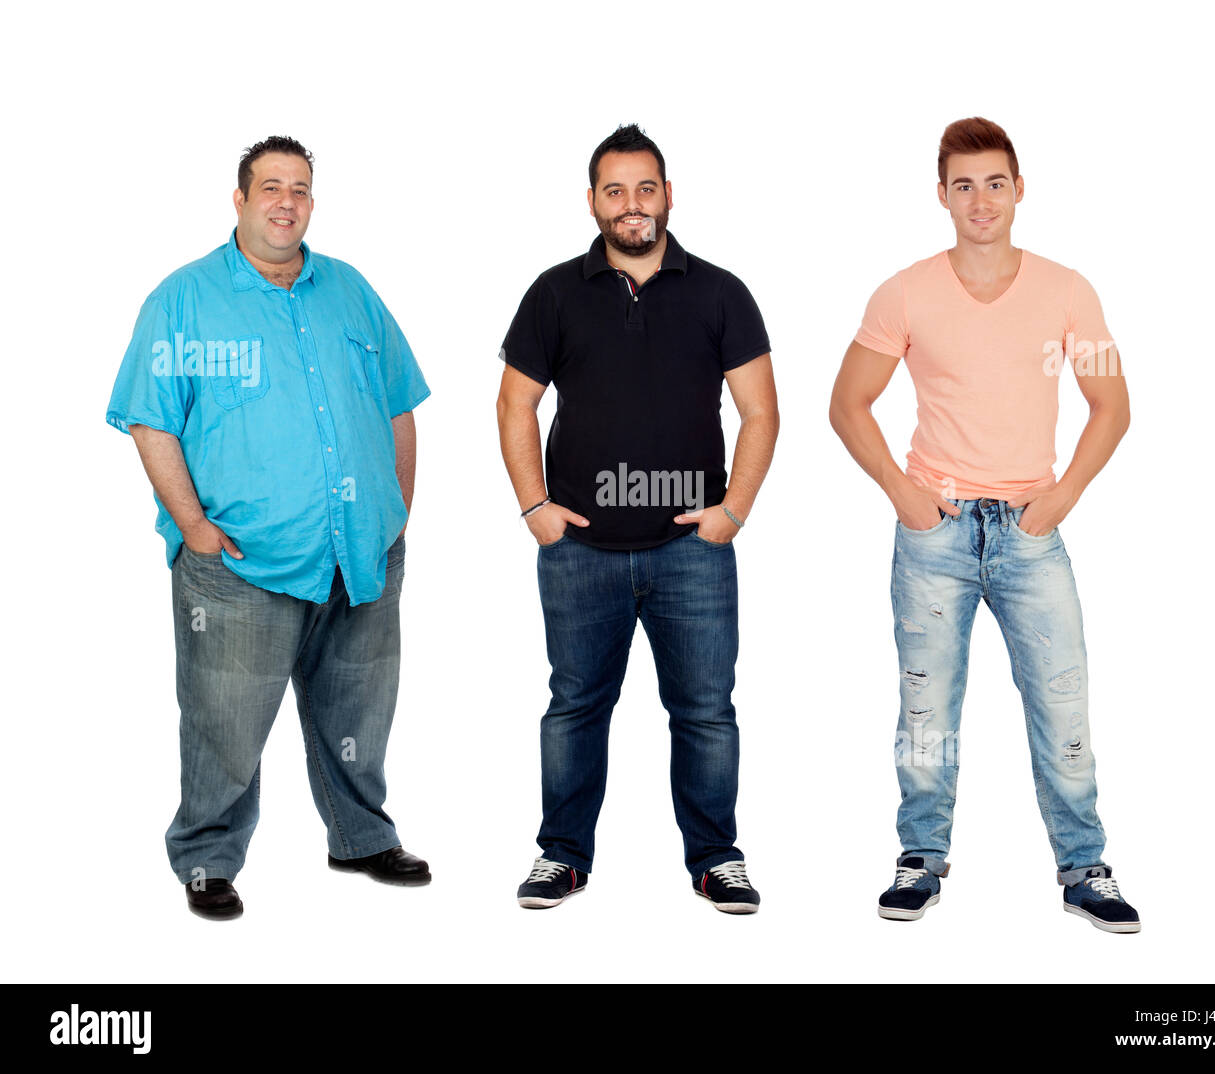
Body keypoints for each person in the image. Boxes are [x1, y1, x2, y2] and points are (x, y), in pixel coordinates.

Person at [106, 136, 432, 920]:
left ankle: (360, 836)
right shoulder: (184, 300)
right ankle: (209, 857)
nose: (288, 202)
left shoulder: (350, 291)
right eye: (271, 187)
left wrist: (393, 516)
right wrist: (194, 527)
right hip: (240, 562)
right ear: (241, 200)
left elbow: (399, 405)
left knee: (360, 706)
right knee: (226, 719)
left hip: (360, 556)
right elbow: (151, 422)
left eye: (302, 189)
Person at [829, 116, 1140, 933]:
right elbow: (846, 403)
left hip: (1032, 532)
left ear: (1019, 189)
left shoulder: (1068, 290)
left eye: (994, 183)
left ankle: (1085, 868)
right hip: (934, 530)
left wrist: (1064, 494)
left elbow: (1113, 404)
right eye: (963, 185)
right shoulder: (904, 292)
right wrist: (901, 491)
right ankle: (920, 859)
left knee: (1064, 703)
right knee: (925, 709)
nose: (980, 201)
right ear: (942, 195)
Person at [496, 124, 779, 913]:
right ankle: (562, 856)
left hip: (692, 549)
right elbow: (515, 402)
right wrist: (535, 508)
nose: (631, 205)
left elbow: (760, 410)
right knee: (575, 706)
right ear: (593, 202)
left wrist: (733, 512)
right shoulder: (554, 292)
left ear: (668, 195)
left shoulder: (720, 291)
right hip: (580, 549)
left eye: (645, 188)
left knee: (705, 712)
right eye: (615, 191)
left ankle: (717, 858)